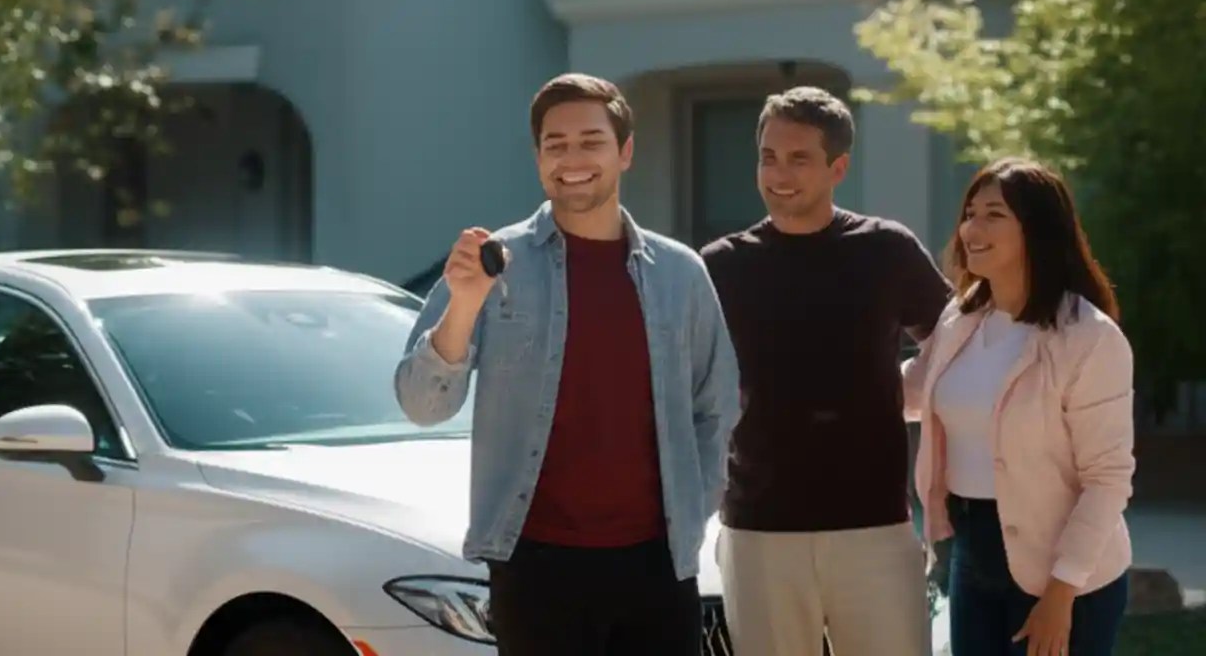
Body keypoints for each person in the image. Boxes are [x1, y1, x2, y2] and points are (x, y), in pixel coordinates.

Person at [394, 72, 741, 656]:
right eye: (556, 144)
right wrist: (464, 303)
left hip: (658, 567)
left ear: (625, 152)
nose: (572, 159)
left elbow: (719, 405)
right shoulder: (492, 265)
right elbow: (422, 405)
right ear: (537, 158)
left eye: (591, 141)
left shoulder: (681, 274)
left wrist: (693, 511)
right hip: (536, 568)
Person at [700, 86, 951, 656]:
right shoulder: (721, 266)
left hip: (875, 528)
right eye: (769, 156)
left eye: (799, 158)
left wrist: (908, 392)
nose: (779, 173)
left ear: (838, 166)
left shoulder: (885, 250)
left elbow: (957, 341)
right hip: (758, 530)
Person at [904, 157, 1135, 656]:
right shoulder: (960, 318)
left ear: (1036, 229)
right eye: (969, 212)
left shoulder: (1090, 338)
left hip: (1069, 575)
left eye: (993, 214)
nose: (971, 228)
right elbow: (912, 393)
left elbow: (1107, 478)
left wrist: (1061, 593)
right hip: (973, 551)